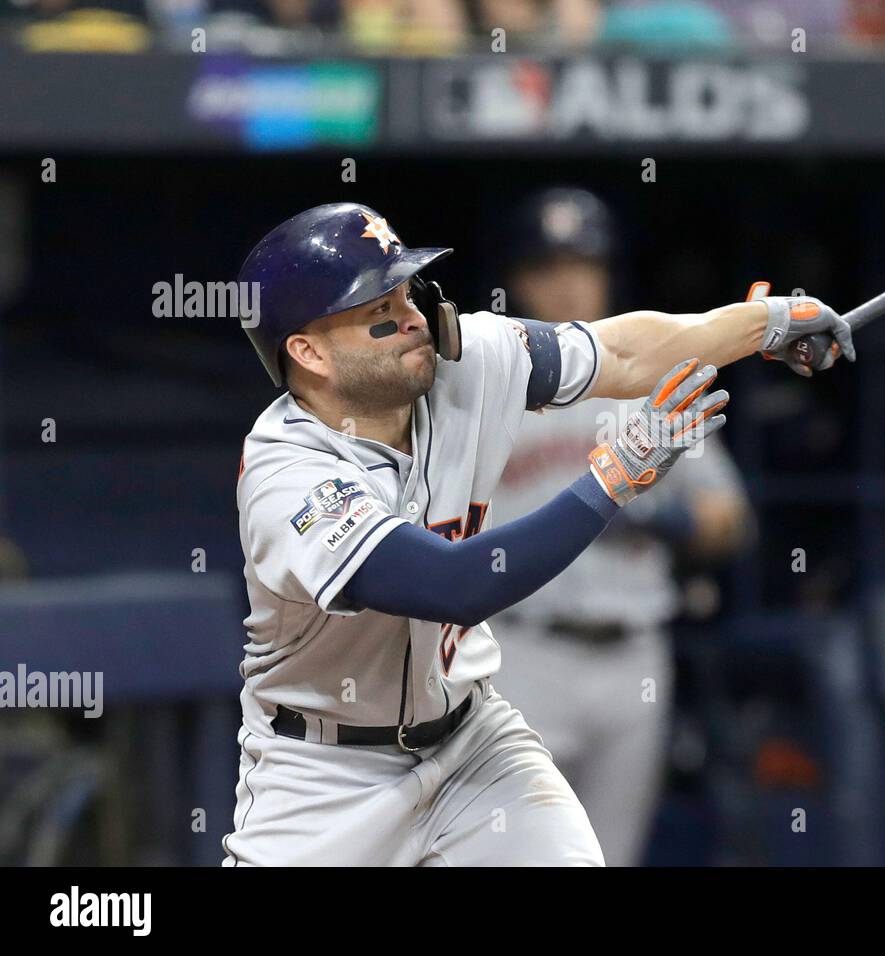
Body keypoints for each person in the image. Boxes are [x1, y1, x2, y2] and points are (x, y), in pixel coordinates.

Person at [222, 201, 853, 866]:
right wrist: (612, 479)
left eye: (407, 290)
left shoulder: (472, 359)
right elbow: (453, 583)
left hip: (469, 743)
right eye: (377, 309)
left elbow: (621, 350)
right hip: (324, 773)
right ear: (308, 351)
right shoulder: (287, 473)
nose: (410, 318)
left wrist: (762, 322)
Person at [488, 188, 753, 866]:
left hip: (634, 652)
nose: (568, 282)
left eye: (583, 263)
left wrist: (674, 519)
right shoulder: (490, 376)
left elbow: (731, 521)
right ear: (520, 280)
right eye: (548, 266)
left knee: (609, 855)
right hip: (521, 652)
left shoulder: (653, 378)